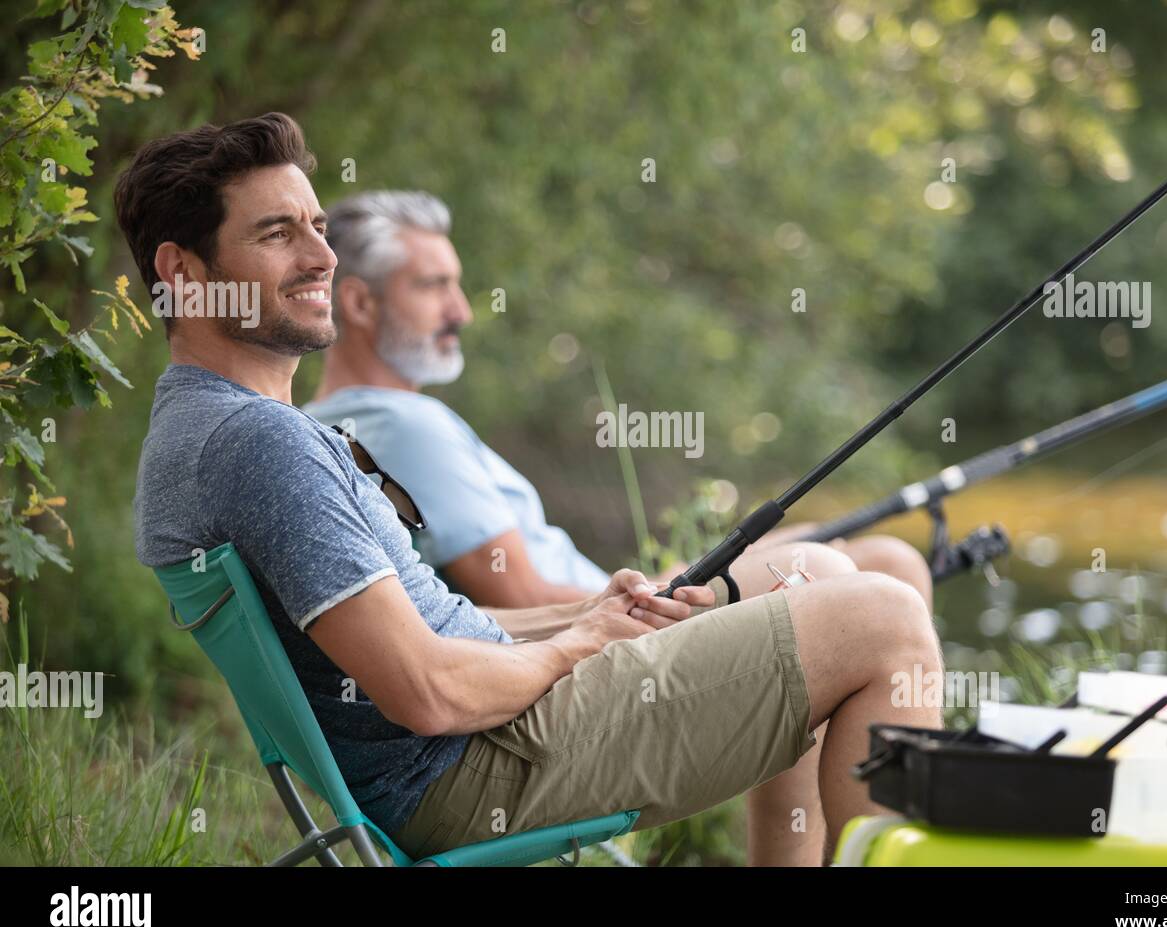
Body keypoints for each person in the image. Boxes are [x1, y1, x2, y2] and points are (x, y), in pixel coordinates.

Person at [121, 113, 943, 866]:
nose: (322, 257)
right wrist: (577, 647)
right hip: (474, 772)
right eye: (277, 234)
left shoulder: (211, 427)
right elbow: (429, 692)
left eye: (318, 228)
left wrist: (592, 615)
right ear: (183, 274)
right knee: (884, 618)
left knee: (828, 577)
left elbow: (422, 638)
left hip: (477, 739)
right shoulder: (257, 444)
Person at [303, 190, 934, 611]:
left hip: (605, 614)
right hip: (599, 651)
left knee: (857, 553)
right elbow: (522, 599)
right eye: (434, 287)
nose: (461, 311)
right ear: (358, 303)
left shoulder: (333, 424)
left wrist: (695, 573)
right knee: (850, 580)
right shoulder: (401, 426)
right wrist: (657, 600)